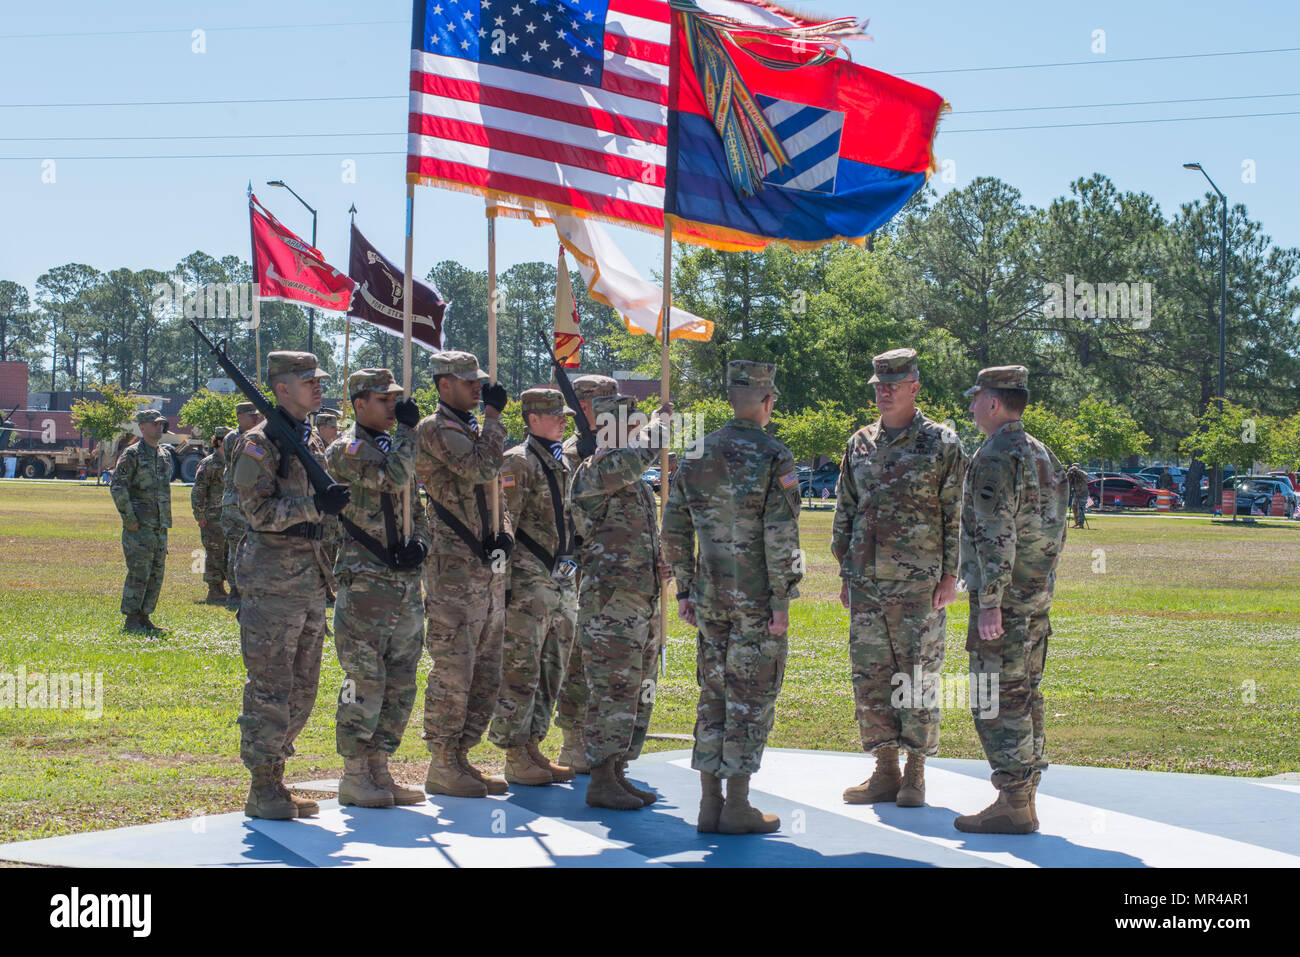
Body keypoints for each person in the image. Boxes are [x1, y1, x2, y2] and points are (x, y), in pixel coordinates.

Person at [662, 360, 803, 834]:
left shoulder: (696, 452)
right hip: (757, 601)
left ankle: (708, 804)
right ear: (767, 402)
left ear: (730, 400)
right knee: (751, 695)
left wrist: (684, 588)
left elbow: (674, 528)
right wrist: (781, 600)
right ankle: (737, 804)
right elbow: (781, 536)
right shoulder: (773, 456)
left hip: (709, 596)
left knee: (714, 693)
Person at [831, 348, 967, 810]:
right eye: (878, 387)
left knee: (918, 677)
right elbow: (845, 509)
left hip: (919, 586)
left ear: (915, 388)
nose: (884, 393)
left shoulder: (943, 444)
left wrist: (950, 575)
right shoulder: (860, 443)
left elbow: (956, 515)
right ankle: (885, 769)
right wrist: (847, 571)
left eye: (892, 385)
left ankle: (916, 773)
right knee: (871, 678)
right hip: (868, 583)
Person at [232, 351, 351, 820]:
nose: (318, 387)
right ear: (281, 388)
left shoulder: (310, 441)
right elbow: (257, 513)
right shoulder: (259, 444)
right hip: (271, 580)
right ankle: (262, 787)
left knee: (303, 687)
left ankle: (277, 777)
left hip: (309, 578)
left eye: (319, 379)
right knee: (270, 686)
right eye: (308, 381)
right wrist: (312, 504)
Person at [954, 365, 1067, 834]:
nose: (972, 405)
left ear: (993, 403)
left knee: (995, 696)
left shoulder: (996, 456)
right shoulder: (1041, 452)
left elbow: (995, 535)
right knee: (1026, 694)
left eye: (976, 397)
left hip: (1006, 603)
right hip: (1035, 597)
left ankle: (1014, 801)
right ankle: (1024, 796)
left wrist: (990, 603)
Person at [326, 370, 429, 809]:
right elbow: (394, 479)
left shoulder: (395, 446)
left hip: (404, 586)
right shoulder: (344, 450)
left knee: (402, 681)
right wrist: (409, 431)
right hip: (366, 584)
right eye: (384, 399)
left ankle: (380, 766)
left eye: (396, 400)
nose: (393, 407)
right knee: (366, 678)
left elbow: (415, 506)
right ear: (358, 403)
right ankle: (353, 773)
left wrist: (420, 543)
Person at [414, 351, 513, 798]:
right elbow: (481, 467)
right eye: (468, 381)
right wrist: (493, 418)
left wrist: (505, 533)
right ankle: (442, 759)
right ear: (443, 384)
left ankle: (462, 754)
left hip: (486, 568)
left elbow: (496, 494)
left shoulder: (472, 428)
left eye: (480, 381)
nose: (478, 387)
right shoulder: (436, 429)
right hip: (453, 566)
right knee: (456, 665)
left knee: (487, 668)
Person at [568, 393, 673, 810]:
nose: (636, 433)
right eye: (631, 426)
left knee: (638, 690)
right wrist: (660, 426)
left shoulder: (632, 483)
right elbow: (632, 461)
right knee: (613, 691)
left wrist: (658, 562)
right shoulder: (597, 470)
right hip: (609, 605)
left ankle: (618, 771)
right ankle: (601, 777)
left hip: (639, 599)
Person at [488, 388, 580, 786]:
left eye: (562, 414)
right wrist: (503, 589)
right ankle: (513, 752)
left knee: (551, 668)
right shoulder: (518, 462)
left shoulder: (558, 463)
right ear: (531, 419)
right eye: (553, 414)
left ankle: (532, 746)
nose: (562, 420)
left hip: (558, 583)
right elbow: (506, 524)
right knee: (520, 670)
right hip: (527, 583)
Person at [555, 373, 618, 772]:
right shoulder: (568, 454)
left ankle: (609, 743)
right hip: (582, 567)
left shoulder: (621, 448)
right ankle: (573, 740)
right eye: (607, 403)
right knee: (577, 655)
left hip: (622, 568)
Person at [109, 410, 174, 633]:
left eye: (161, 424)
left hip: (159, 524)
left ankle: (145, 616)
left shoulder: (164, 455)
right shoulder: (132, 454)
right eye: (155, 424)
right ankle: (131, 618)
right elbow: (117, 486)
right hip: (139, 525)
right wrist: (129, 519)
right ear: (142, 427)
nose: (159, 428)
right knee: (139, 571)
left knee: (156, 572)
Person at [220, 401, 263, 610]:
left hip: (250, 502)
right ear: (240, 417)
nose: (256, 419)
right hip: (234, 502)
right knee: (236, 548)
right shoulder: (233, 438)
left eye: (257, 416)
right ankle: (235, 591)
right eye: (251, 416)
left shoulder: (255, 437)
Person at [190, 426, 232, 603]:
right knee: (214, 552)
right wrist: (200, 515)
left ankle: (226, 587)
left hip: (230, 516)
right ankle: (214, 589)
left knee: (228, 552)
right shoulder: (208, 463)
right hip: (213, 517)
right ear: (220, 442)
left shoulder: (232, 462)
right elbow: (198, 491)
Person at [315, 408, 345, 576]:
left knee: (332, 545)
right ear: (321, 428)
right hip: (319, 507)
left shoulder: (335, 448)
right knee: (322, 547)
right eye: (332, 427)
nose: (336, 430)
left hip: (334, 508)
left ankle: (329, 586)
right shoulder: (313, 448)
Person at [1066, 464, 1089, 528]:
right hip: (1076, 494)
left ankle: (1080, 524)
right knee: (1074, 507)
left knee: (1080, 509)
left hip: (1083, 493)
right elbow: (1066, 479)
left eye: (1075, 467)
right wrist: (1069, 472)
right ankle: (1077, 523)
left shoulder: (1082, 473)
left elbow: (1086, 476)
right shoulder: (1073, 474)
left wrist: (1077, 471)